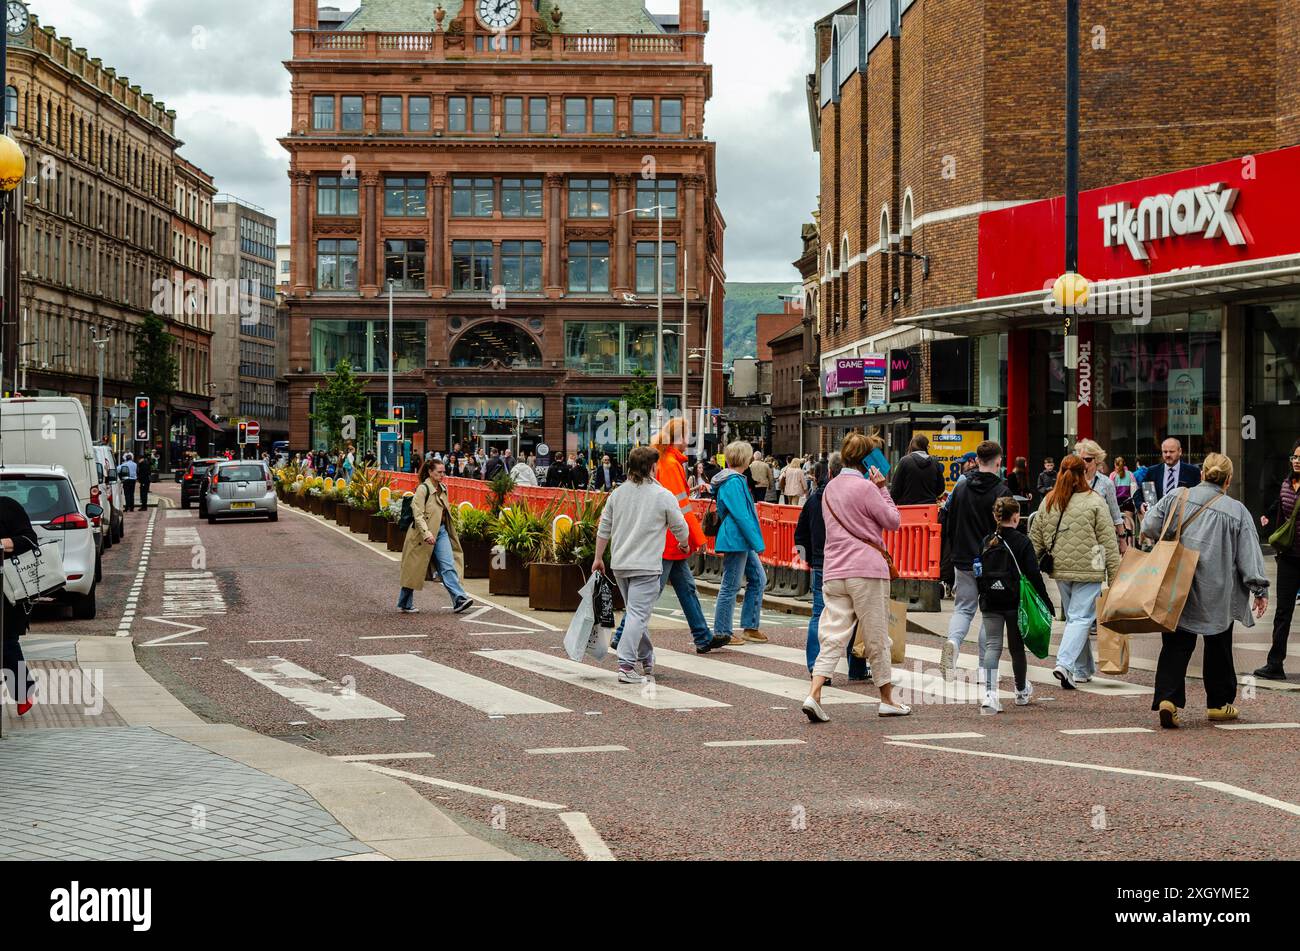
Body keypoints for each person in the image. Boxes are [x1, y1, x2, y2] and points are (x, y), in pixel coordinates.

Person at [1140, 453, 1268, 727]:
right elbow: (1249, 555)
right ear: (1228, 480)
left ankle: (1168, 698)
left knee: (1175, 645)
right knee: (1218, 646)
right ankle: (1218, 703)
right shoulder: (1236, 511)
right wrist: (1259, 589)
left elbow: (1148, 526)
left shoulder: (1178, 496)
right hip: (1218, 590)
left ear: (1202, 474)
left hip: (1178, 586)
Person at [801, 433, 910, 722]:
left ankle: (814, 694)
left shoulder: (829, 489)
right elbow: (893, 521)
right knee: (876, 637)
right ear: (866, 460)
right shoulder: (866, 488)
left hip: (834, 570)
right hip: (866, 570)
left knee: (833, 636)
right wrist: (883, 489)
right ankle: (887, 699)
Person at [611, 420, 728, 655]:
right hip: (669, 541)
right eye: (685, 436)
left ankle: (703, 637)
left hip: (667, 540)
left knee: (687, 589)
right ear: (674, 439)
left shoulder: (665, 461)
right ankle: (622, 635)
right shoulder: (672, 464)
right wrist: (697, 539)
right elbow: (679, 507)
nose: (688, 441)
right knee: (651, 593)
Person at [593, 446, 690, 684]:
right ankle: (626, 665)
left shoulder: (618, 494)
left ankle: (646, 657)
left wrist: (598, 558)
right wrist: (684, 544)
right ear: (652, 467)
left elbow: (604, 527)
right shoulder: (663, 495)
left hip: (620, 563)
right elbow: (681, 527)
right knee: (638, 614)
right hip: (646, 565)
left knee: (636, 612)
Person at [1030, 454, 1119, 689]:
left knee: (1074, 618)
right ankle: (1065, 663)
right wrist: (1115, 575)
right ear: (1083, 474)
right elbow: (1108, 542)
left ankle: (1082, 669)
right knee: (1081, 618)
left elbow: (1036, 537)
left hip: (1060, 567)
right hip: (1091, 566)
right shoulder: (1094, 501)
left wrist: (1029, 566)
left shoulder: (1049, 500)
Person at [795, 452, 870, 684]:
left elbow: (800, 534)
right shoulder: (856, 496)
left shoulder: (815, 499)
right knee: (855, 614)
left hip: (822, 563)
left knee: (819, 614)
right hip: (850, 562)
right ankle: (856, 667)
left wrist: (809, 559)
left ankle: (816, 667)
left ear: (828, 472)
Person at [939, 440, 1011, 681]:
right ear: (998, 462)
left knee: (963, 607)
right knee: (988, 613)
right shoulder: (1002, 491)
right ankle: (984, 667)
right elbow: (1008, 530)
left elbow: (947, 520)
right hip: (991, 560)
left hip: (962, 557)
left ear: (977, 460)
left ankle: (953, 643)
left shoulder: (960, 487)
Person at [978, 496, 1053, 713]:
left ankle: (991, 694)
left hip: (990, 600)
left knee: (993, 645)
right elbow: (1033, 575)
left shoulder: (987, 541)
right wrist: (1046, 601)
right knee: (1016, 648)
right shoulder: (1022, 542)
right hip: (1015, 601)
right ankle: (1020, 691)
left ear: (996, 516)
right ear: (1016, 516)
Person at [398, 458, 473, 615]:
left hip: (441, 532)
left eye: (443, 472)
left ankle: (459, 598)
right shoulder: (422, 489)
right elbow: (417, 514)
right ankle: (405, 602)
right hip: (421, 535)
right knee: (413, 569)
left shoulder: (443, 488)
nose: (442, 474)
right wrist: (426, 533)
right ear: (430, 472)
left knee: (448, 565)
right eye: (439, 472)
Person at [711, 441, 769, 645]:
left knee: (758, 578)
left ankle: (750, 626)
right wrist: (757, 542)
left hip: (739, 539)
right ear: (745, 459)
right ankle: (722, 631)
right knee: (731, 585)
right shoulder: (734, 482)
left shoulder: (732, 479)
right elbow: (742, 515)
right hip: (736, 539)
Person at [1255, 438, 1300, 680]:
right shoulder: (1286, 483)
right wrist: (1267, 516)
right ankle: (1275, 664)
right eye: (1294, 457)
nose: (1297, 462)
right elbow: (1279, 506)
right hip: (1289, 558)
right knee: (1283, 612)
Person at [1, 494, 39, 716]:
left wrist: (4, 544)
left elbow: (30, 539)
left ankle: (23, 691)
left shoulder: (7, 507)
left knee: (6, 643)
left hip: (8, 594)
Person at [1076, 439, 1128, 554]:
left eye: (1088, 459)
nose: (1084, 462)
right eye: (1081, 459)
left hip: (1099, 539)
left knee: (1098, 569)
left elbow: (1115, 513)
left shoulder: (1106, 483)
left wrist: (1123, 539)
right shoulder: (1073, 481)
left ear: (1097, 460)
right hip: (1077, 538)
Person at [890, 434, 946, 506]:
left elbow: (895, 490)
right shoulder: (935, 462)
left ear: (911, 447)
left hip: (907, 509)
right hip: (929, 510)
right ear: (926, 447)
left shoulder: (904, 461)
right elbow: (940, 489)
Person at [1145, 437, 1202, 504]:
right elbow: (1140, 492)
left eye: (1171, 452)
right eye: (1165, 452)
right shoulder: (1152, 471)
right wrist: (1140, 505)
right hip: (1159, 513)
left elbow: (1198, 495)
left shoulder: (1193, 471)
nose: (1168, 455)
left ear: (1180, 451)